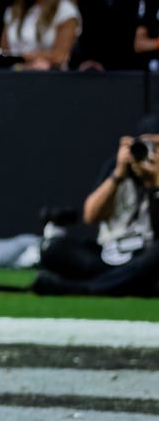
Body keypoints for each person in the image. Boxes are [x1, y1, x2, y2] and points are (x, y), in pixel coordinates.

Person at [33, 115, 159, 297]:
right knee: (53, 249)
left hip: (147, 257)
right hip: (109, 254)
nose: (151, 153)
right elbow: (90, 216)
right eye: (147, 146)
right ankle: (125, 284)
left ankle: (85, 288)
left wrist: (155, 184)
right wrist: (117, 175)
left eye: (157, 147)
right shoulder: (117, 168)